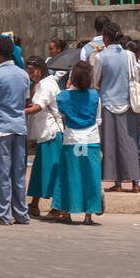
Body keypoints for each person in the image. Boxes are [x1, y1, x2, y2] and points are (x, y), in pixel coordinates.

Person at [0, 34, 32, 225]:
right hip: (20, 127)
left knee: (2, 173)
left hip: (1, 128)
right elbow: (27, 101)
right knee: (18, 173)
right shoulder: (24, 75)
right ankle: (21, 213)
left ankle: (3, 214)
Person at [90, 21, 140, 193]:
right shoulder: (129, 55)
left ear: (105, 37)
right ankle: (135, 182)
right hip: (128, 105)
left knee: (111, 145)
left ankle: (118, 183)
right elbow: (136, 77)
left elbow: (94, 81)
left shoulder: (100, 57)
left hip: (108, 104)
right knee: (132, 143)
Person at [53, 62, 104, 223]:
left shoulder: (62, 96)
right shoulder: (95, 96)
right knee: (91, 176)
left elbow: (61, 114)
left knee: (70, 175)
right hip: (91, 140)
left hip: (71, 139)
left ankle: (67, 211)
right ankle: (89, 214)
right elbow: (98, 120)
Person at [25, 55, 64, 219]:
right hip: (44, 135)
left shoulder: (46, 84)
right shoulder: (44, 83)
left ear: (40, 69)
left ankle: (57, 208)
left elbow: (38, 107)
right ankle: (34, 204)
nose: (30, 75)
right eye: (28, 72)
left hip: (51, 134)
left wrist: (17, 112)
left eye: (32, 71)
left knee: (52, 172)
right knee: (39, 172)